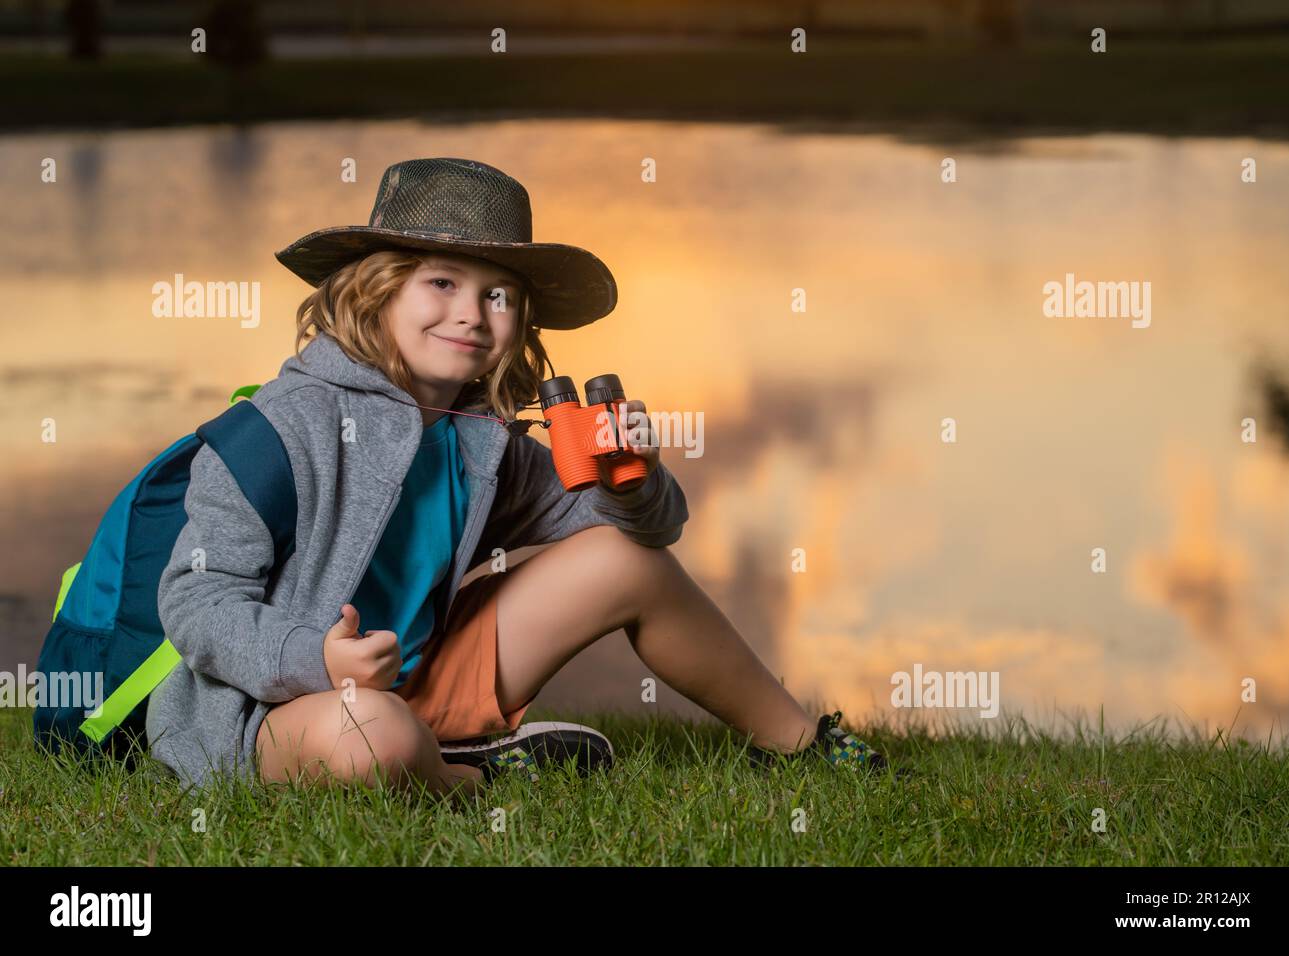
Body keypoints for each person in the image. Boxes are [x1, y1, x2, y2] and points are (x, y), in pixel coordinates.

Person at [145, 157, 883, 800]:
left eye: (498, 295)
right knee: (374, 737)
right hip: (286, 713)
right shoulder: (279, 429)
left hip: (423, 679)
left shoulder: (483, 437)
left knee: (630, 561)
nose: (471, 314)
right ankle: (471, 777)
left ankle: (800, 743)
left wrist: (631, 488)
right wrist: (317, 659)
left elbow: (643, 535)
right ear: (375, 291)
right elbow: (195, 600)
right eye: (441, 283)